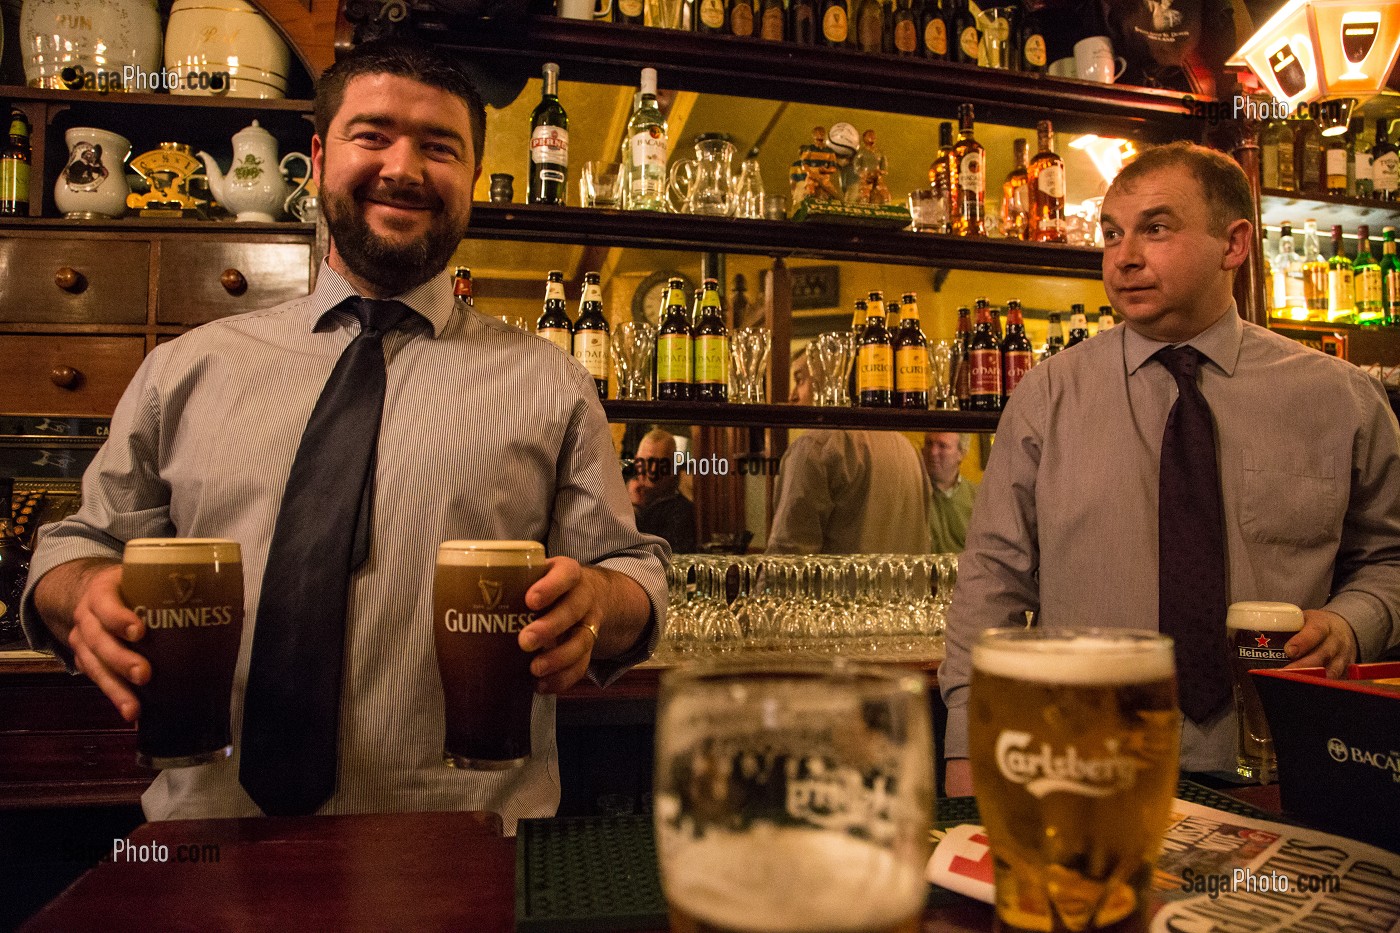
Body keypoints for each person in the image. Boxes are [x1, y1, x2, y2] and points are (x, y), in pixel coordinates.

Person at [20, 40, 667, 828]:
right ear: (320, 157)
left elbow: (632, 571)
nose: (405, 168)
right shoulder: (184, 369)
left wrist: (601, 599)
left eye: (440, 147)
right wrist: (81, 591)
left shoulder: (551, 382)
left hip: (465, 851)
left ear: (471, 177)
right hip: (201, 845)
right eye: (373, 136)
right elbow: (72, 545)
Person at [941, 142, 1400, 795]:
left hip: (1287, 767)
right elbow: (991, 579)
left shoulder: (1340, 397)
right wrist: (966, 751)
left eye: (1155, 229)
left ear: (1234, 244)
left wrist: (1355, 621)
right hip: (1086, 771)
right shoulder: (1049, 395)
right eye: (1111, 234)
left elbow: (1389, 558)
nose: (1123, 256)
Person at [767, 348, 932, 554]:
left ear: (830, 376)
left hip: (836, 588)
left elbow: (788, 560)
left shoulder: (815, 446)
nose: (792, 396)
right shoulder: (909, 449)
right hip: (906, 587)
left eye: (800, 380)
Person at [627, 429, 697, 554]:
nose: (649, 470)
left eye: (656, 463)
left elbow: (658, 557)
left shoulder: (681, 510)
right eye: (642, 461)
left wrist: (635, 510)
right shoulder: (622, 499)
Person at [922, 432, 976, 553]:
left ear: (961, 453)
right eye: (929, 443)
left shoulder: (979, 498)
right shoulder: (911, 492)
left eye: (942, 446)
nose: (933, 452)